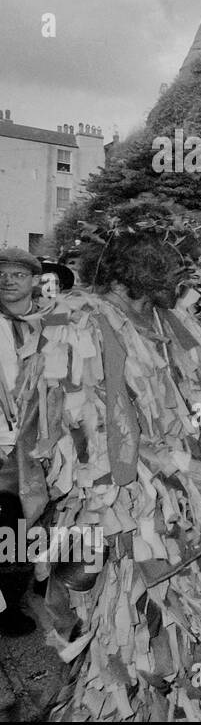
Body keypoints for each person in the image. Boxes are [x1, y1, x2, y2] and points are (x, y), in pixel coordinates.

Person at [0, 204, 201, 719]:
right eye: (171, 263)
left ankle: (196, 699)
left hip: (187, 504)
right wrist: (171, 463)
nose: (184, 272)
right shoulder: (74, 321)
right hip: (123, 508)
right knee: (133, 626)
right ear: (131, 267)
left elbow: (190, 400)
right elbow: (79, 438)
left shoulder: (166, 320)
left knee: (198, 611)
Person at [0, 248, 43, 636]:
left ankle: (28, 589)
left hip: (40, 442)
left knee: (28, 527)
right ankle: (6, 607)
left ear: (34, 280)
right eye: (3, 273)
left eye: (18, 274)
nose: (9, 279)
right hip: (0, 439)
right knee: (4, 526)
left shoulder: (52, 321)